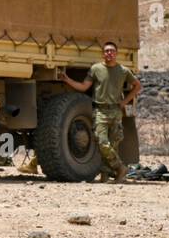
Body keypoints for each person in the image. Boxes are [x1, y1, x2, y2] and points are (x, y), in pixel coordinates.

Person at [59, 41, 141, 183]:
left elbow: (137, 86)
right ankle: (120, 168)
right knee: (102, 143)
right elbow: (84, 86)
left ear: (116, 53)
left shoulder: (123, 71)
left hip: (115, 111)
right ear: (103, 54)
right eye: (107, 51)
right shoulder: (96, 69)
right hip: (100, 111)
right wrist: (68, 80)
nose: (109, 53)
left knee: (113, 145)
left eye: (112, 51)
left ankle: (106, 175)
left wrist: (125, 101)